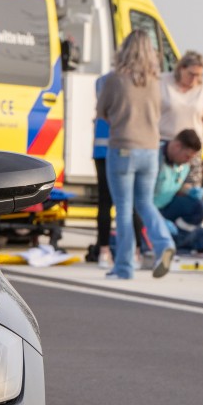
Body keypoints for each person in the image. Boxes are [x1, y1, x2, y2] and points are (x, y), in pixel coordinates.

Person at [95, 30, 175, 279]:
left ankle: (124, 266)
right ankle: (164, 243)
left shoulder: (114, 79)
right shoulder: (157, 81)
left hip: (123, 147)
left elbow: (102, 112)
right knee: (145, 203)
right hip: (151, 150)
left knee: (124, 207)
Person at [160, 49, 203, 191]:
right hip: (164, 146)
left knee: (189, 192)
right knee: (162, 190)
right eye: (191, 74)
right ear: (181, 68)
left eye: (199, 75)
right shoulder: (162, 82)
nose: (194, 79)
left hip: (192, 152)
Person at [154, 129, 203, 252]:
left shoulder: (182, 163)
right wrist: (157, 219)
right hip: (148, 210)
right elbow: (141, 195)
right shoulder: (155, 159)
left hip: (167, 205)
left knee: (200, 208)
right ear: (177, 146)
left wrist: (189, 191)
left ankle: (178, 242)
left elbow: (175, 183)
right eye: (187, 156)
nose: (188, 161)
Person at [86, 71, 114, 266]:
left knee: (104, 201)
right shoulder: (134, 81)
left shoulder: (102, 81)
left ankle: (102, 248)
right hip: (121, 148)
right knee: (127, 204)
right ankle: (133, 251)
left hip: (101, 149)